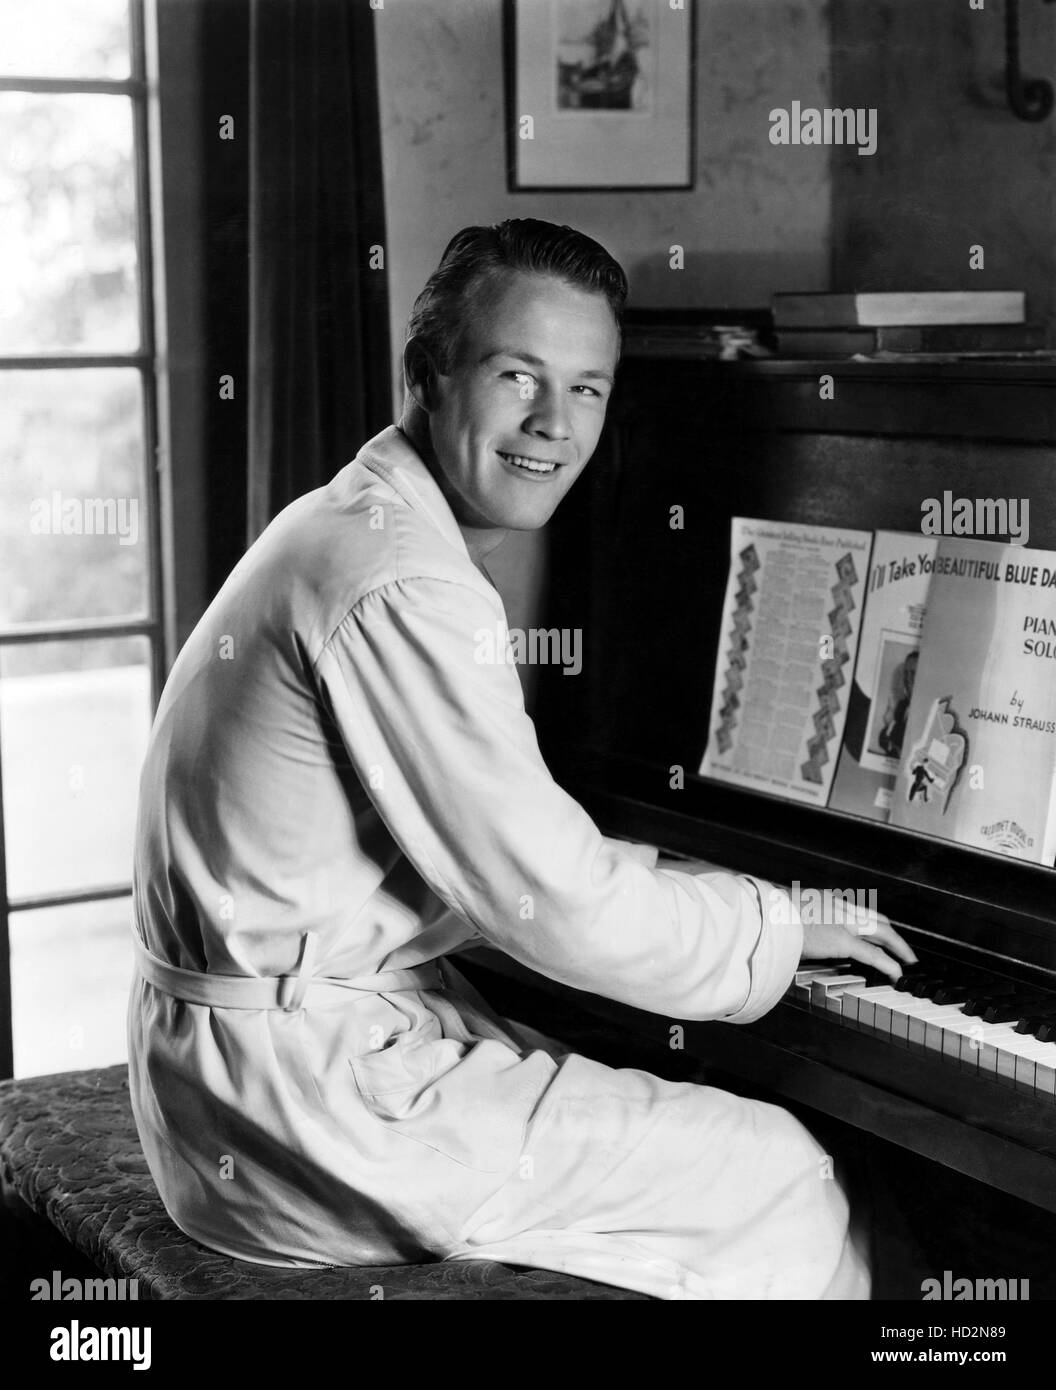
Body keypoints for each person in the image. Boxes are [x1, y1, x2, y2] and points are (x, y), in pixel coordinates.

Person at [128, 218, 915, 1299]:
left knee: (680, 1127)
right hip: (300, 1105)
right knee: (790, 1173)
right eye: (518, 376)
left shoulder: (358, 520)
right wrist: (769, 924)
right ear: (427, 374)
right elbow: (557, 905)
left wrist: (691, 887)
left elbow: (523, 859)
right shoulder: (404, 580)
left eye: (588, 388)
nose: (554, 423)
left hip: (248, 1066)